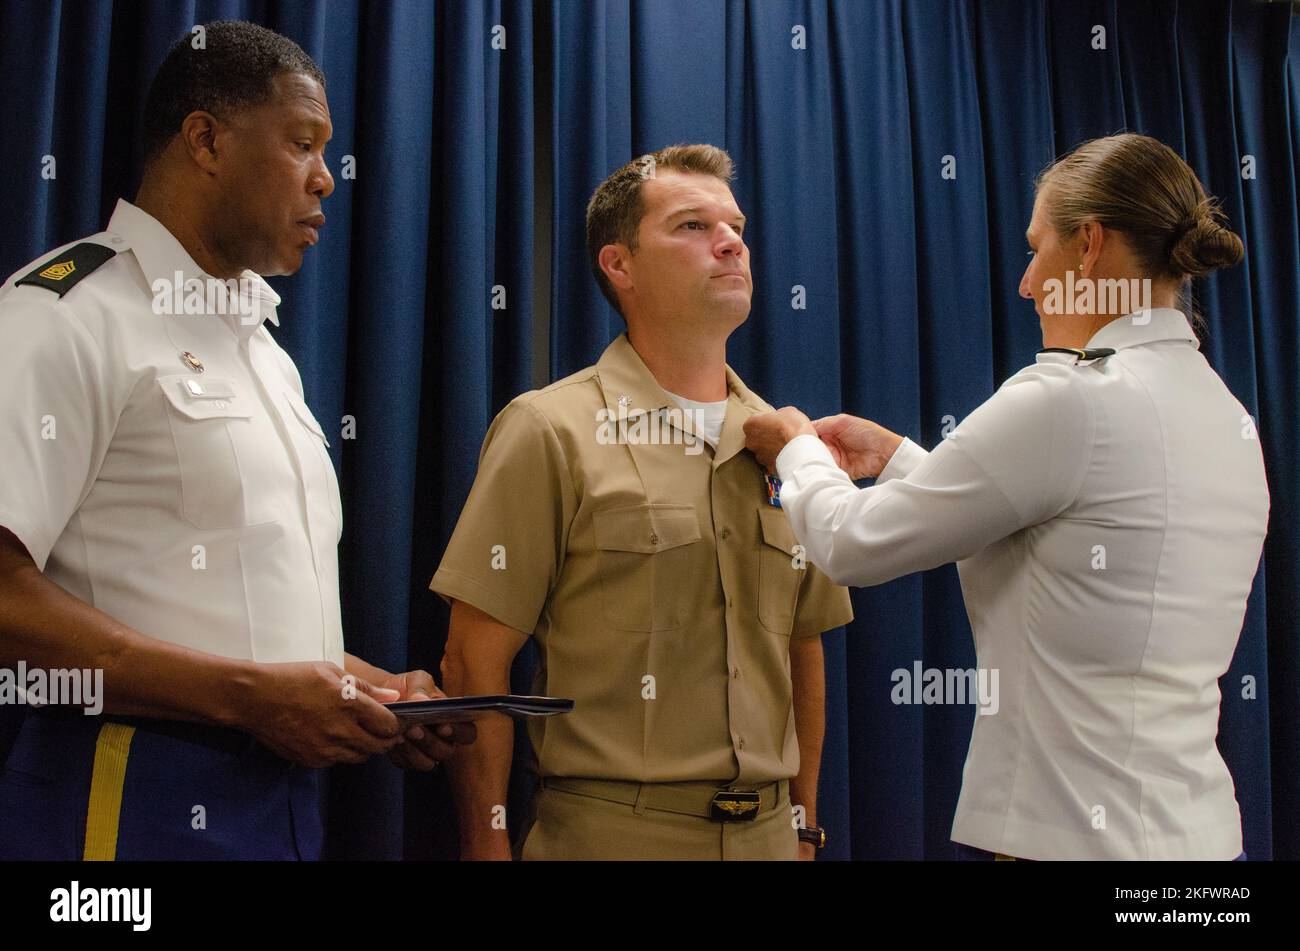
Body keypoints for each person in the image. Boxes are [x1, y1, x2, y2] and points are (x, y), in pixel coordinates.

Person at [0, 21, 470, 861]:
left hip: (281, 800)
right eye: (302, 143)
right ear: (207, 141)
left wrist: (361, 691)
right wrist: (250, 696)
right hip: (127, 783)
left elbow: (237, 618)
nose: (327, 178)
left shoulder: (262, 349)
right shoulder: (64, 312)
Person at [744, 133, 1268, 861]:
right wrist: (901, 461)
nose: (1026, 284)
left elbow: (850, 543)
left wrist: (795, 447)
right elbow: (1069, 537)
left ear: (1088, 246)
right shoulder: (1228, 416)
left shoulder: (1068, 400)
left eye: (1035, 248)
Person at [433, 145, 854, 860]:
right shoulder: (549, 429)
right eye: (692, 226)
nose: (731, 242)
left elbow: (802, 645)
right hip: (610, 836)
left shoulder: (791, 447)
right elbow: (474, 663)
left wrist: (806, 827)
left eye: (736, 227)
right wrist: (488, 845)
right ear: (619, 265)